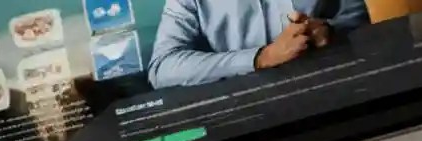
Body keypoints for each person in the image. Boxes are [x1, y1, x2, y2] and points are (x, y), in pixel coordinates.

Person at [149, 0, 370, 89]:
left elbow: (359, 15)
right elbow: (162, 67)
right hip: (248, 118)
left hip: (332, 90)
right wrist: (261, 58)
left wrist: (329, 30)